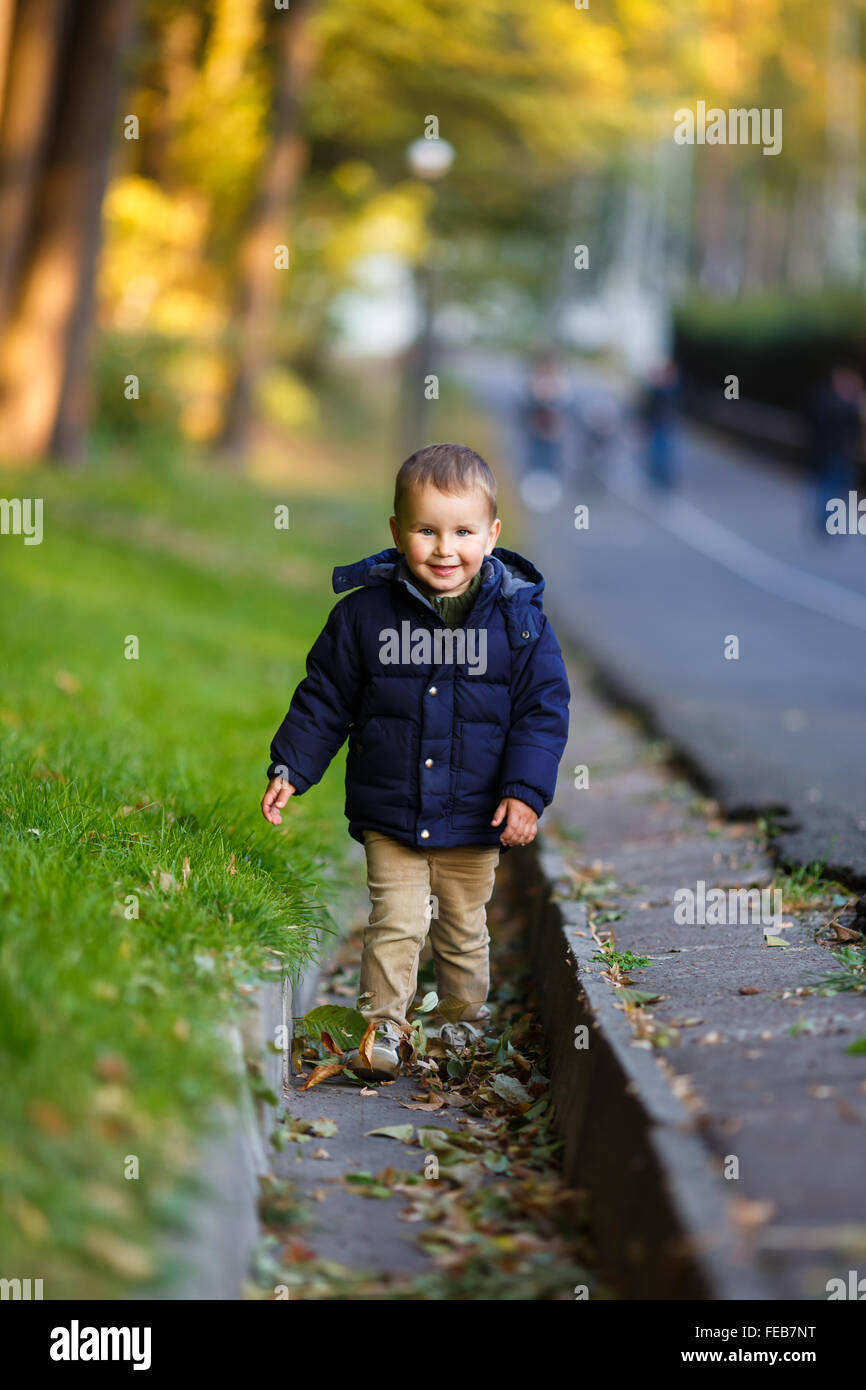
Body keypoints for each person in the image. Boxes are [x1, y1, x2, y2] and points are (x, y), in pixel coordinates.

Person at [261, 443, 571, 1080]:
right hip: (392, 810)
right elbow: (326, 697)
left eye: (462, 532)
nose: (444, 548)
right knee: (396, 923)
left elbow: (543, 711)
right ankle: (385, 1031)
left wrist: (525, 792)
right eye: (426, 530)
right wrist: (292, 765)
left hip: (475, 814)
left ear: (492, 534)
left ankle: (459, 1028)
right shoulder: (364, 618)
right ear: (397, 531)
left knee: (461, 928)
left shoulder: (519, 624)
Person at [804, 364, 864, 536]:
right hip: (835, 453)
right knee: (829, 488)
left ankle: (828, 521)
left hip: (837, 454)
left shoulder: (830, 400)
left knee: (832, 488)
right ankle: (828, 522)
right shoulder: (839, 403)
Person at [637, 358, 681, 491]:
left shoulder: (666, 389)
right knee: (658, 452)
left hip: (661, 424)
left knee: (660, 453)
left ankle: (660, 480)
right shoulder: (664, 388)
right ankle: (658, 479)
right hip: (660, 424)